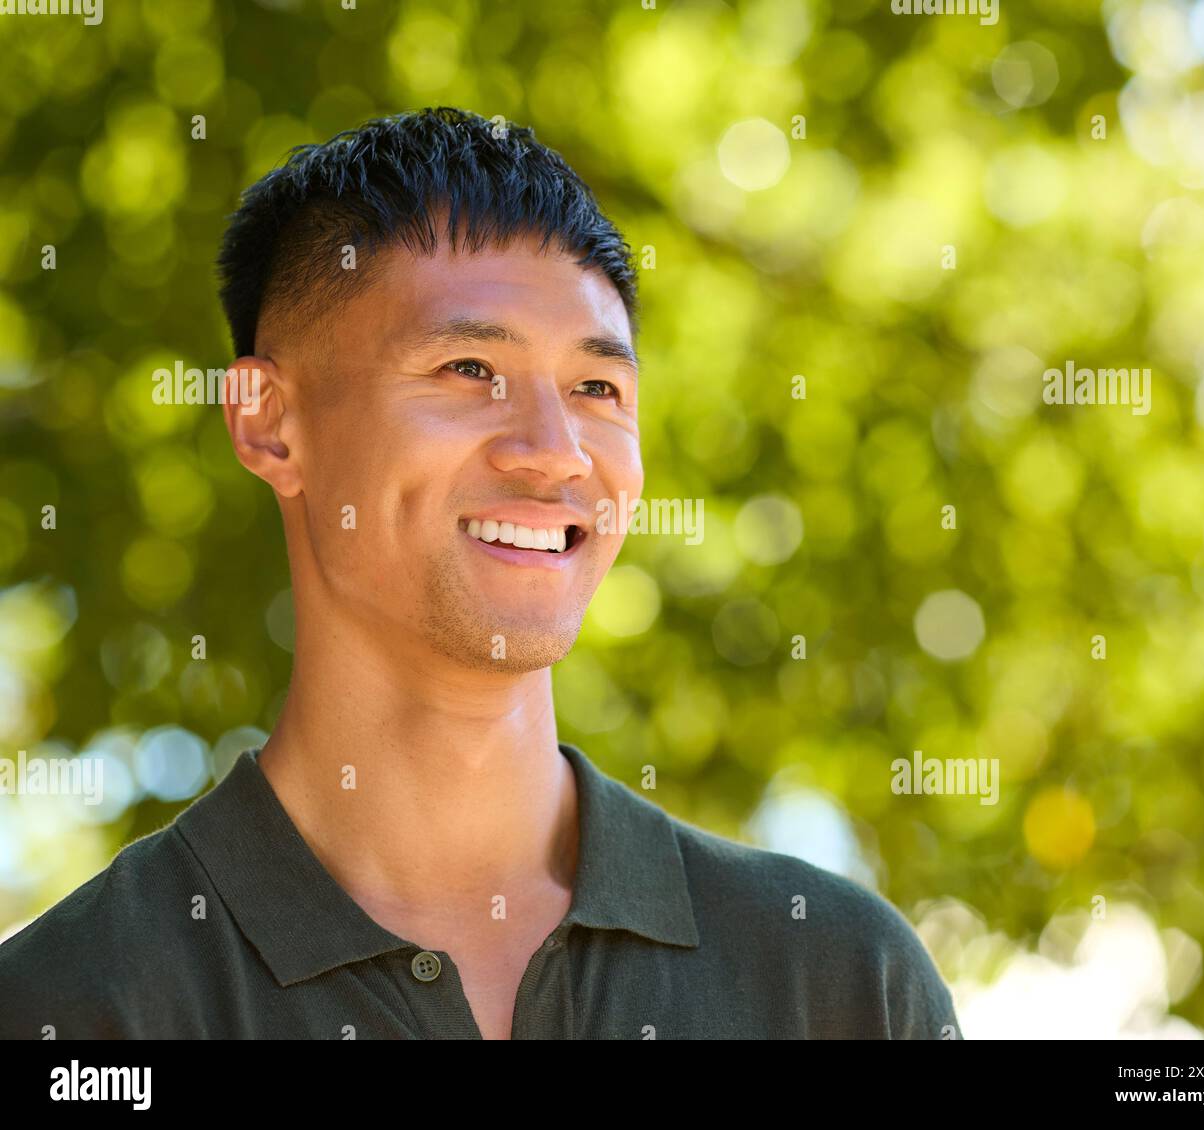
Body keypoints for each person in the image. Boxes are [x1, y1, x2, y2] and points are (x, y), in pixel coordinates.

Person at [0, 107, 961, 1040]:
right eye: (467, 368)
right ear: (266, 421)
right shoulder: (74, 1004)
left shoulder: (840, 985)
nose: (555, 453)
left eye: (596, 388)